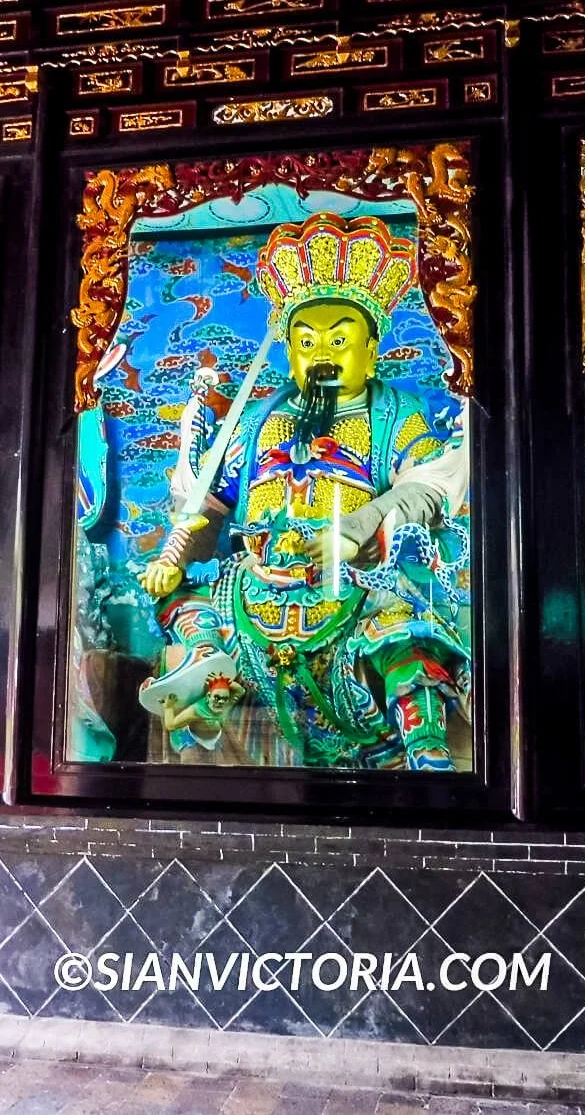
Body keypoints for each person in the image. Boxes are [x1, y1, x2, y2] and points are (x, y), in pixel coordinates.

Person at [138, 212, 470, 770]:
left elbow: (429, 485)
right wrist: (173, 559)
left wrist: (355, 531)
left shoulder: (394, 414)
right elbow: (207, 506)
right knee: (178, 602)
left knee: (406, 637)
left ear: (371, 348)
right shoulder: (256, 421)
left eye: (340, 340)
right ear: (289, 351)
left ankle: (427, 753)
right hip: (255, 588)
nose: (322, 354)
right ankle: (207, 677)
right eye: (307, 341)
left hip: (352, 588)